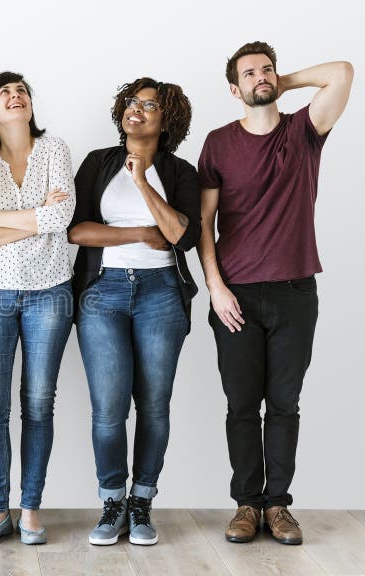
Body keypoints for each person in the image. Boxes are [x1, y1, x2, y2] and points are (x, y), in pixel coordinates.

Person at [197, 42, 353, 545]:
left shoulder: (304, 131)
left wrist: (283, 83)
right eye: (249, 73)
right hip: (235, 294)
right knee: (242, 405)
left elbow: (343, 72)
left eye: (266, 69)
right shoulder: (218, 143)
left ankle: (279, 506)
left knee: (284, 404)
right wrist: (216, 289)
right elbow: (204, 224)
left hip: (294, 292)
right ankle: (247, 504)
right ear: (233, 88)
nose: (260, 76)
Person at [68, 78, 200, 546]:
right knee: (108, 410)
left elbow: (182, 234)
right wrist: (137, 236)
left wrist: (142, 180)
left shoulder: (181, 172)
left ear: (168, 121)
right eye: (131, 101)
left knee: (154, 406)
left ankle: (142, 502)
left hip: (161, 292)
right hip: (102, 292)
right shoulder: (97, 163)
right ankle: (112, 501)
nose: (136, 110)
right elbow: (77, 231)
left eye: (149, 105)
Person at [0, 71, 74, 546]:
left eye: (21, 90)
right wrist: (35, 220)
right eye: (4, 92)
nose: (15, 96)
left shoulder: (56, 150)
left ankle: (29, 508)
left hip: (51, 289)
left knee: (38, 404)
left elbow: (62, 217)